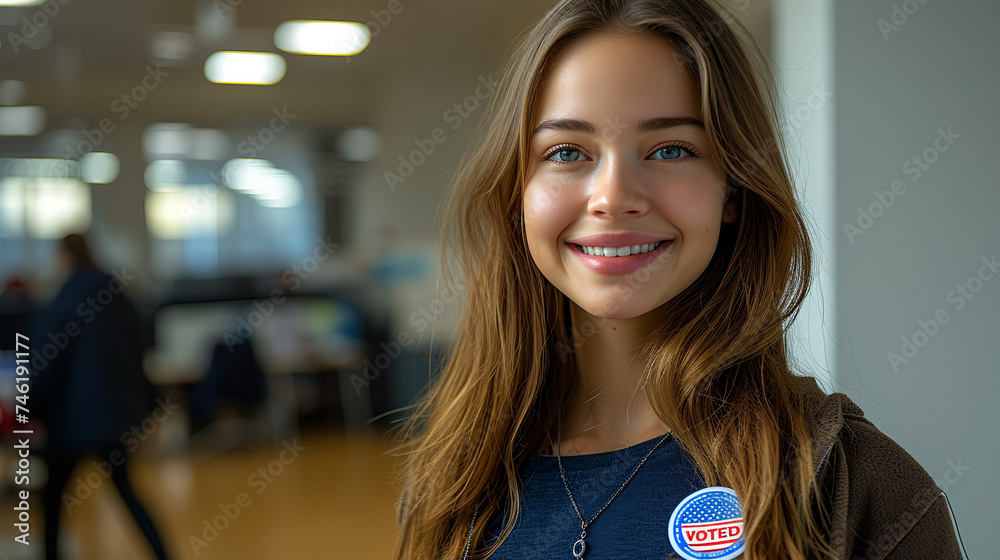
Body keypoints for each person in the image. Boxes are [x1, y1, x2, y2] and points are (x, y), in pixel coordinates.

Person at [391, 0, 965, 559]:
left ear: (733, 192)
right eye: (567, 151)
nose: (612, 198)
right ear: (518, 194)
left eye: (670, 149)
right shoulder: (457, 476)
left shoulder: (856, 482)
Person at [31, 233, 171, 560]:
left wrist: (31, 408)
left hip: (72, 424)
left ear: (64, 257)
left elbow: (46, 366)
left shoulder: (62, 303)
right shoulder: (120, 298)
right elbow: (141, 355)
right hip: (116, 419)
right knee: (127, 491)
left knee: (53, 499)